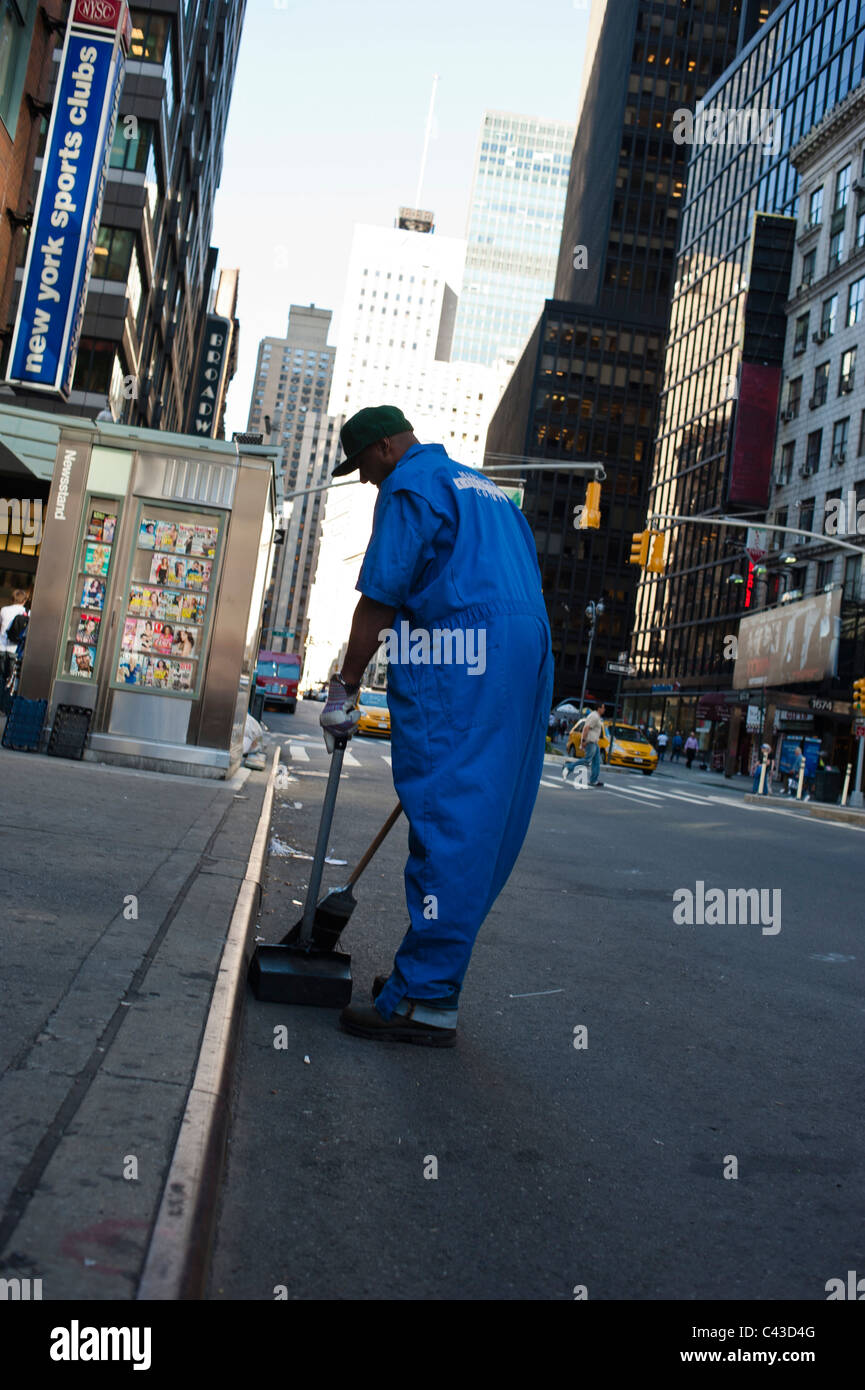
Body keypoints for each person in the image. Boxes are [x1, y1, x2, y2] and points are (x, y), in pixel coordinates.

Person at [319, 405, 553, 1047]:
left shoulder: (409, 486)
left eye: (365, 465)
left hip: (464, 648)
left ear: (389, 447)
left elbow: (381, 597)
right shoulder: (486, 490)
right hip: (526, 648)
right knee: (484, 821)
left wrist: (345, 686)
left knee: (449, 820)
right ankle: (422, 976)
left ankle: (424, 999)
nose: (367, 481)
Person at [563, 702, 605, 786]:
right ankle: (568, 767)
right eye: (603, 707)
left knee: (596, 762)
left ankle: (593, 780)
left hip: (594, 742)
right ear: (598, 708)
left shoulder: (596, 716)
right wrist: (583, 741)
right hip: (590, 742)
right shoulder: (594, 716)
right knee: (587, 760)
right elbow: (586, 728)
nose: (604, 709)